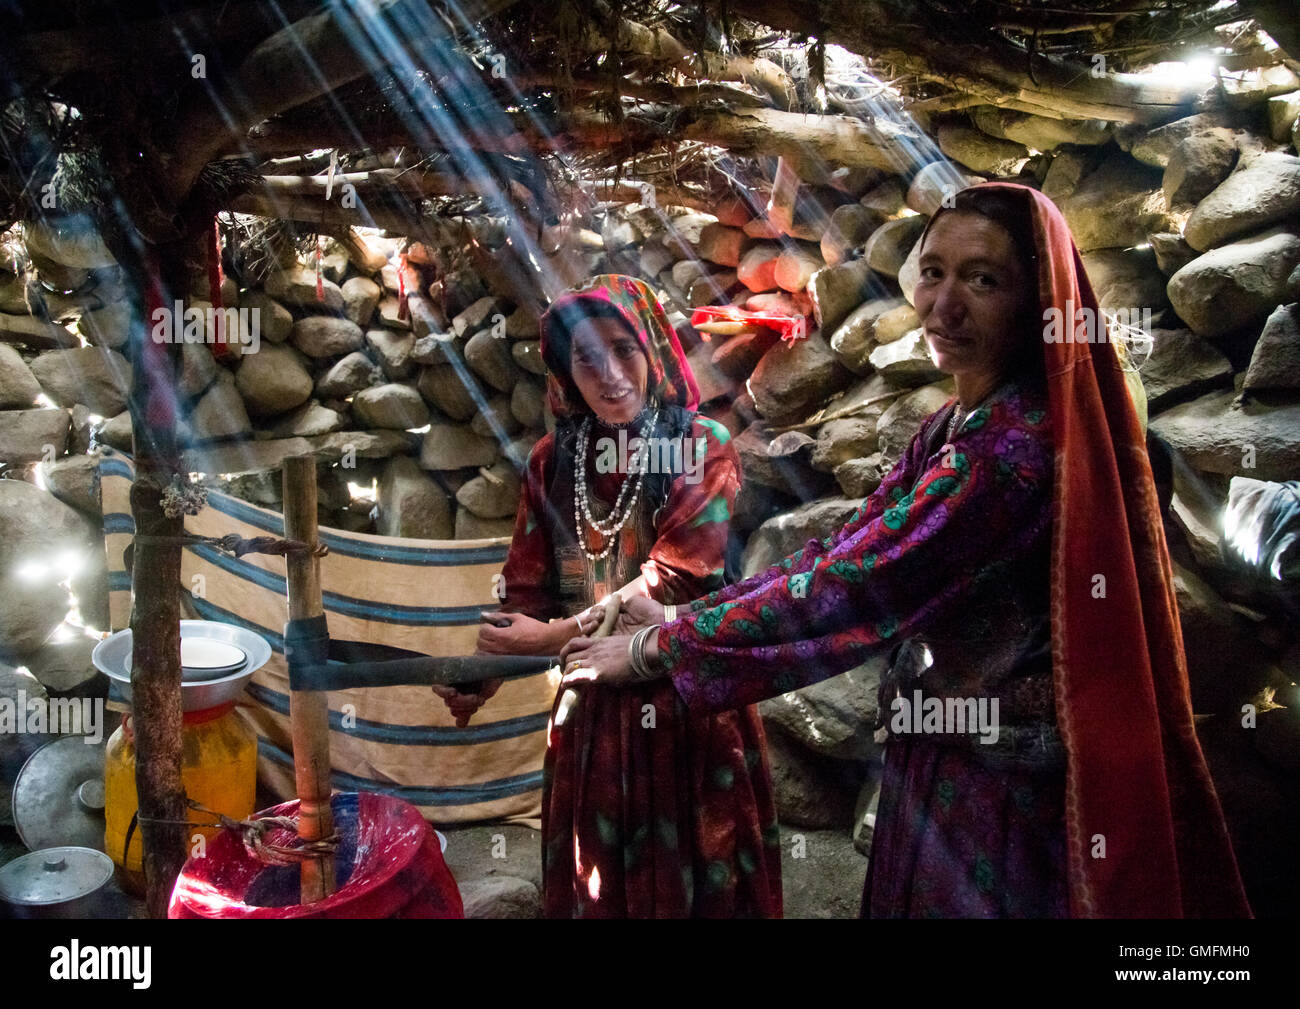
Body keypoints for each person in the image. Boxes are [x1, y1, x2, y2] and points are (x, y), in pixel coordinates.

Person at [560, 184, 1252, 918]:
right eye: (934, 272)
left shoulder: (1007, 451)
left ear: (1039, 303)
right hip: (954, 743)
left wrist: (655, 649)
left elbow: (856, 584)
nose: (944, 305)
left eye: (984, 280)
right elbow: (849, 543)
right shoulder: (960, 421)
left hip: (1005, 785)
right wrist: (669, 617)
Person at [436, 274, 781, 918]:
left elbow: (673, 580)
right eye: (586, 356)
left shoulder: (701, 446)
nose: (609, 374)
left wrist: (550, 639)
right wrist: (486, 672)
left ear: (652, 350)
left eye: (623, 350)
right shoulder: (551, 462)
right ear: (565, 370)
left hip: (684, 696)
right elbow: (529, 591)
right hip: (591, 716)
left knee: (692, 880)